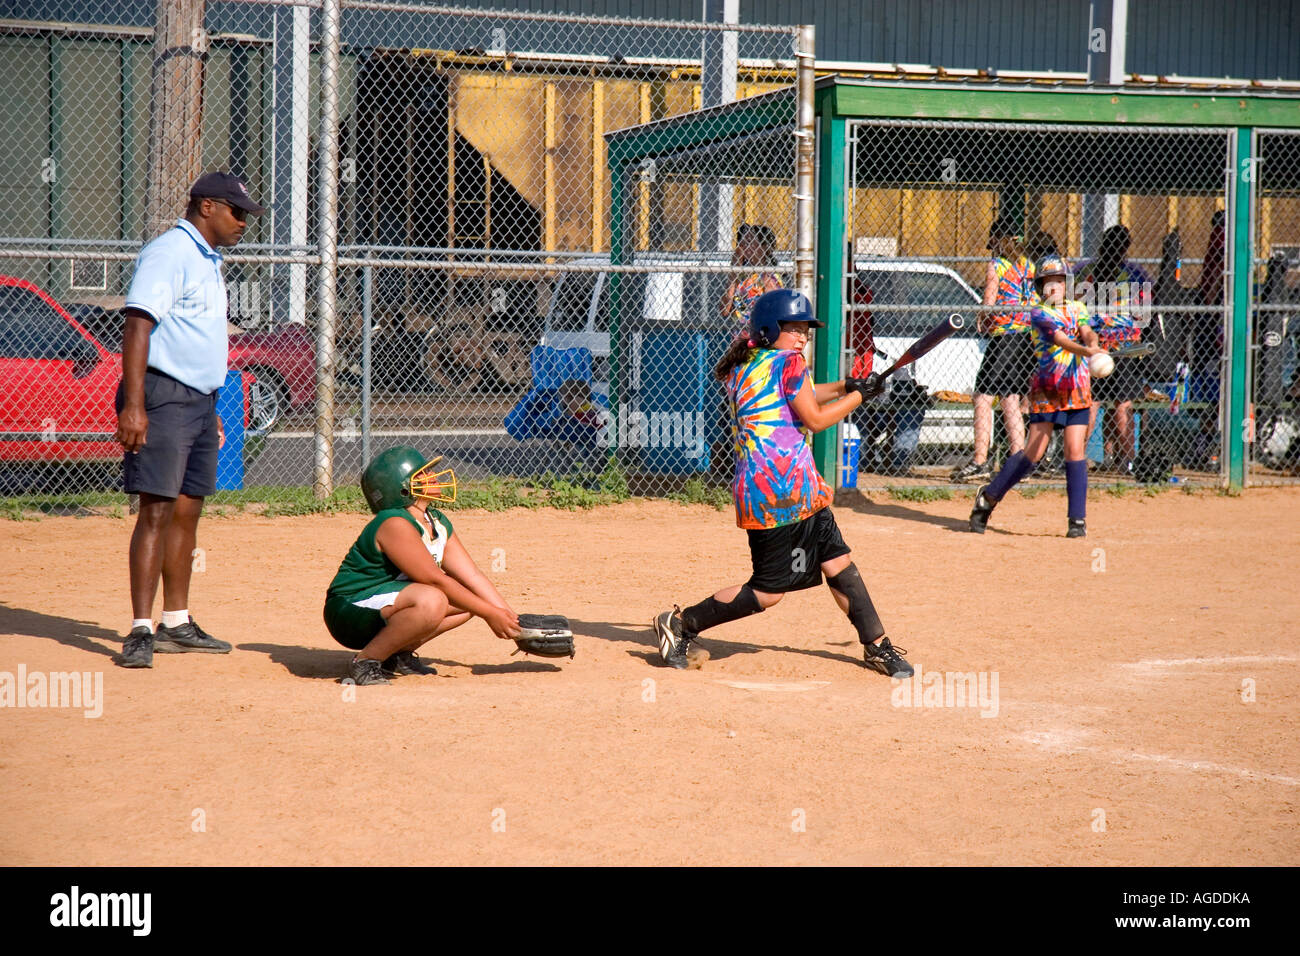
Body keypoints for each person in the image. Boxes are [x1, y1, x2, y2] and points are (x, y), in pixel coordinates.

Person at [653, 289, 914, 677]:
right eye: (793, 328)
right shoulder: (788, 361)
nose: (802, 336)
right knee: (767, 592)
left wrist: (847, 386)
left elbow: (798, 396)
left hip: (796, 489)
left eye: (805, 329)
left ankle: (876, 646)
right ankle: (681, 623)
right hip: (776, 494)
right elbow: (814, 418)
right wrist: (859, 398)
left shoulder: (748, 363)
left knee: (838, 563)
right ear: (769, 329)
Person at [114, 171, 266, 668]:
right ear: (207, 207)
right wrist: (135, 406)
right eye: (236, 212)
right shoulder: (170, 253)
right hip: (163, 397)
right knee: (156, 509)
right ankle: (140, 629)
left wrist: (215, 406)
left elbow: (200, 337)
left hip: (199, 401)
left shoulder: (208, 260)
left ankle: (175, 622)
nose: (243, 222)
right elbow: (138, 324)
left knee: (187, 511)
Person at [324, 446, 522, 685]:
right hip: (349, 610)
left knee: (471, 596)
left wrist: (516, 625)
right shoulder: (394, 523)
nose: (433, 477)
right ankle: (365, 661)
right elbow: (434, 579)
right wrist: (490, 614)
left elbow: (472, 575)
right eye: (422, 475)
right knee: (434, 599)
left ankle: (395, 655)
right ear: (402, 488)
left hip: (387, 604)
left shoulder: (436, 521)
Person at [969, 254, 1105, 538]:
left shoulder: (1078, 308)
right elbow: (1060, 340)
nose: (1053, 287)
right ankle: (989, 498)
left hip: (1078, 390)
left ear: (1067, 284)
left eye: (1058, 281)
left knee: (1074, 450)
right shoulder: (1038, 313)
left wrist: (1094, 345)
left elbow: (1087, 332)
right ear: (1039, 287)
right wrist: (1086, 351)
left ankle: (1077, 520)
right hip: (1048, 390)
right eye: (1047, 282)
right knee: (1033, 454)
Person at [952, 218, 1036, 482]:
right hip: (1025, 337)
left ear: (1000, 240)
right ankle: (1019, 460)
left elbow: (990, 301)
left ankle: (980, 460)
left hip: (1004, 336)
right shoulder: (1029, 266)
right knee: (1010, 398)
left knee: (982, 397)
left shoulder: (997, 265)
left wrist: (983, 318)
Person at [1077, 224, 1153, 474]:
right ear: (1124, 248)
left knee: (1092, 403)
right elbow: (1143, 316)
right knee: (1123, 404)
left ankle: (1077, 458)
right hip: (1124, 346)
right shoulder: (1134, 274)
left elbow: (1074, 310)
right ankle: (1129, 461)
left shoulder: (1084, 271)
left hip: (1093, 346)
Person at [718, 224, 783, 323]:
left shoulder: (772, 275)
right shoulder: (738, 276)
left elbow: (776, 307)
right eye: (742, 242)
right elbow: (724, 311)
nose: (744, 246)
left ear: (765, 247)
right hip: (740, 334)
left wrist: (761, 263)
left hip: (762, 332)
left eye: (749, 241)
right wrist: (734, 269)